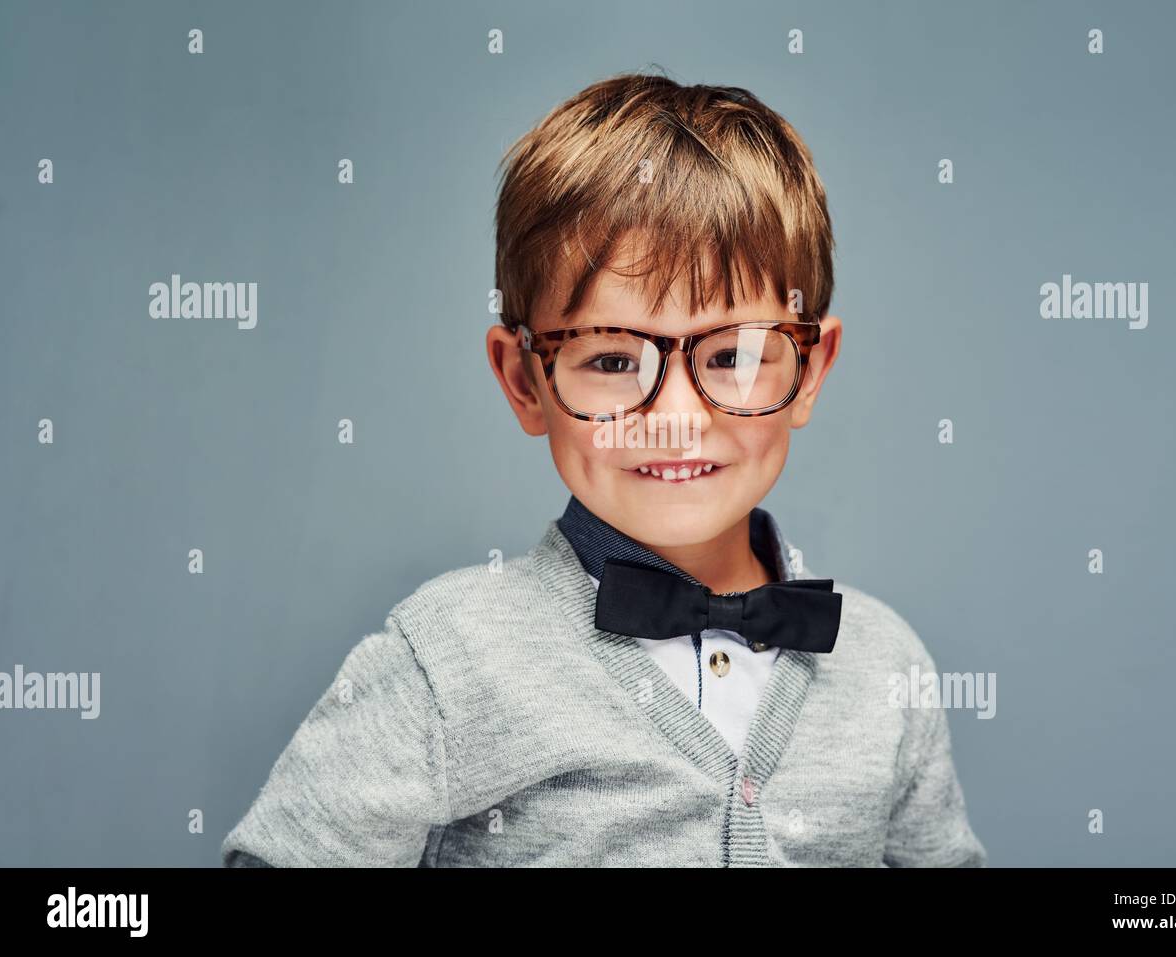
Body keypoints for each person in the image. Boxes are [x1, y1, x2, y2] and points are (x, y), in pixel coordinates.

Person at [221, 72, 987, 867]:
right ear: (525, 380)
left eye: (734, 354)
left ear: (811, 369)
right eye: (616, 358)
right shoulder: (449, 655)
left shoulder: (883, 662)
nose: (678, 416)